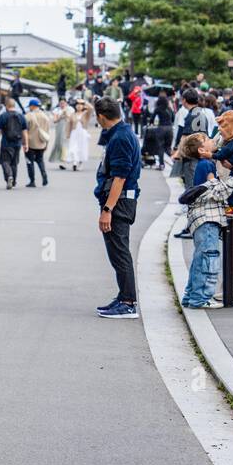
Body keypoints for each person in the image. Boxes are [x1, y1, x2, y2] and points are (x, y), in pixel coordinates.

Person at [176, 133, 233, 309]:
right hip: (208, 219)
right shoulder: (206, 164)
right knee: (208, 258)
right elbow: (216, 192)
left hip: (201, 219)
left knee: (200, 258)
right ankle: (201, 298)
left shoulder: (205, 163)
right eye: (207, 139)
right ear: (202, 149)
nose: (212, 140)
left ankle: (191, 296)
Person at [93, 98, 143, 319]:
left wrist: (107, 209)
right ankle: (124, 296)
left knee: (119, 251)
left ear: (101, 117)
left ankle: (128, 301)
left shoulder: (121, 137)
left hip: (119, 201)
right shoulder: (120, 132)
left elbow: (120, 177)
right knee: (117, 251)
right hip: (121, 199)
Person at [0, 98, 28, 190]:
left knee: (5, 161)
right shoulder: (21, 116)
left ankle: (9, 176)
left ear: (6, 106)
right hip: (17, 143)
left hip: (6, 142)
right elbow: (25, 131)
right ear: (14, 105)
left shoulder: (3, 116)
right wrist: (26, 144)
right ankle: (13, 182)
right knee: (14, 163)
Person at [24, 98, 52, 187]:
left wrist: (24, 143)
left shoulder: (28, 116)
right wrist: (46, 144)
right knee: (40, 160)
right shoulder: (45, 116)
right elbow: (47, 131)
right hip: (41, 143)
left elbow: (24, 130)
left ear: (32, 106)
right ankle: (44, 176)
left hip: (30, 143)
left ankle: (32, 181)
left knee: (29, 162)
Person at [64, 100, 91, 170]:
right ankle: (75, 162)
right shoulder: (73, 114)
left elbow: (91, 108)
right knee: (73, 147)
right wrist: (67, 134)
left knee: (82, 148)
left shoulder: (86, 113)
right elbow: (69, 125)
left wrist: (85, 102)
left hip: (82, 132)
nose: (79, 106)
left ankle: (80, 163)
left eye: (81, 105)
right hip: (74, 132)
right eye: (77, 104)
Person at [50, 97, 70, 168]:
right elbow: (55, 120)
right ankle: (61, 160)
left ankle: (64, 161)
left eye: (63, 103)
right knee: (59, 144)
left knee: (65, 144)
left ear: (66, 103)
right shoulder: (56, 110)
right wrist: (61, 115)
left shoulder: (70, 109)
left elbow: (71, 119)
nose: (62, 104)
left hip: (68, 128)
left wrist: (66, 114)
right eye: (61, 103)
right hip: (59, 129)